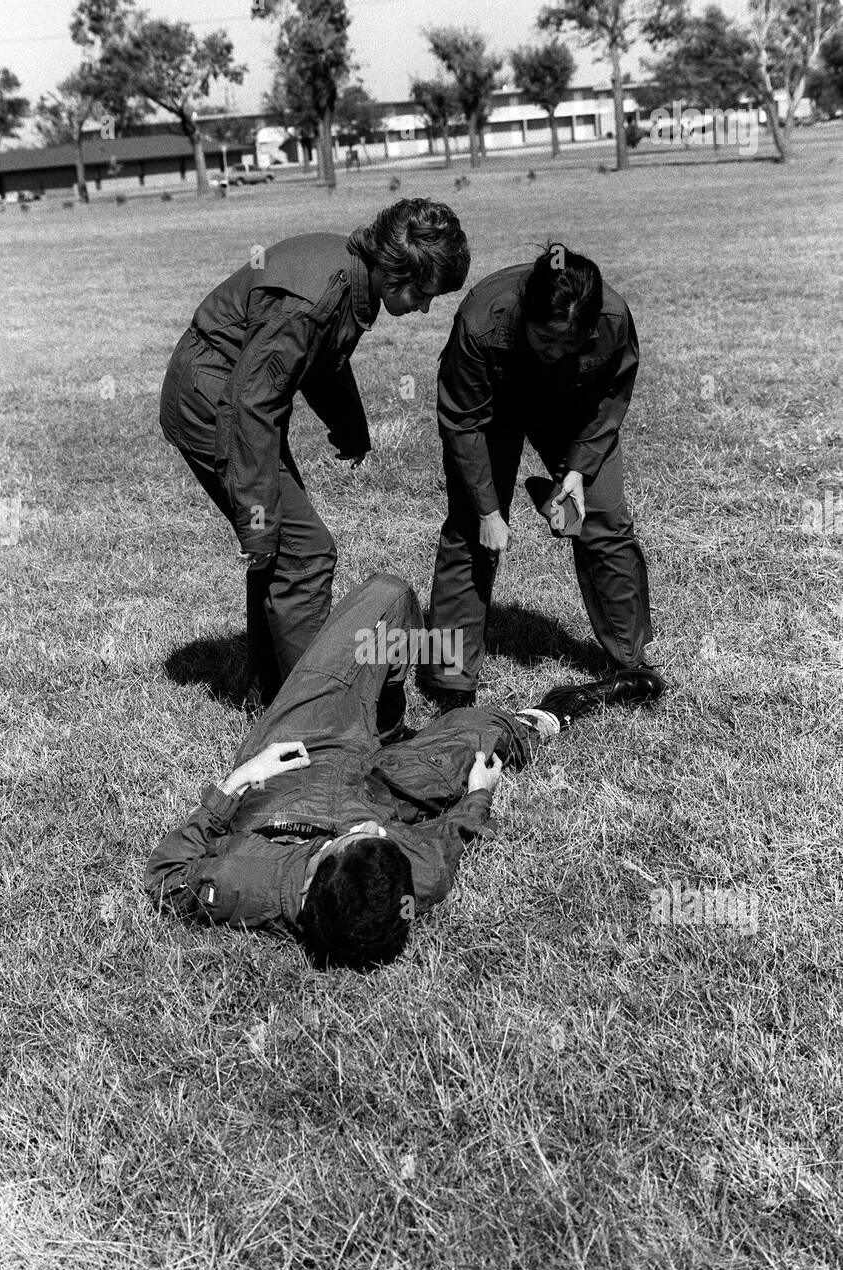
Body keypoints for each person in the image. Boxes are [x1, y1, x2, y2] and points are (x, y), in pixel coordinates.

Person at [145, 571, 644, 971]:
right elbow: (452, 834)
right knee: (479, 732)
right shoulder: (414, 879)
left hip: (295, 758)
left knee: (387, 597)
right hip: (383, 789)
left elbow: (163, 879)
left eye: (354, 840)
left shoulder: (238, 885)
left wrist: (238, 782)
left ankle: (382, 715)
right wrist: (478, 794)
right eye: (377, 838)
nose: (366, 832)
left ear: (310, 880)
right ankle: (554, 713)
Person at [159, 199, 470, 706]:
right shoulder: (315, 298)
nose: (425, 307)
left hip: (231, 393)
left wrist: (350, 428)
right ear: (393, 272)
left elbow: (323, 358)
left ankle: (267, 692)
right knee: (304, 551)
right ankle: (314, 711)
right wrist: (256, 520)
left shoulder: (350, 277)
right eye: (423, 293)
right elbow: (249, 406)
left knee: (285, 547)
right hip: (214, 403)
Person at [416, 243, 664, 709]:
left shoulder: (611, 320)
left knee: (605, 522)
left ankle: (631, 660)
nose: (554, 351)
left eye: (569, 344)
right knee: (471, 532)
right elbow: (462, 422)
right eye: (545, 339)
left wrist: (579, 470)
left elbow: (611, 397)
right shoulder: (481, 319)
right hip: (493, 408)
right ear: (525, 314)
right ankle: (449, 678)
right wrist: (489, 511)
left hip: (571, 408)